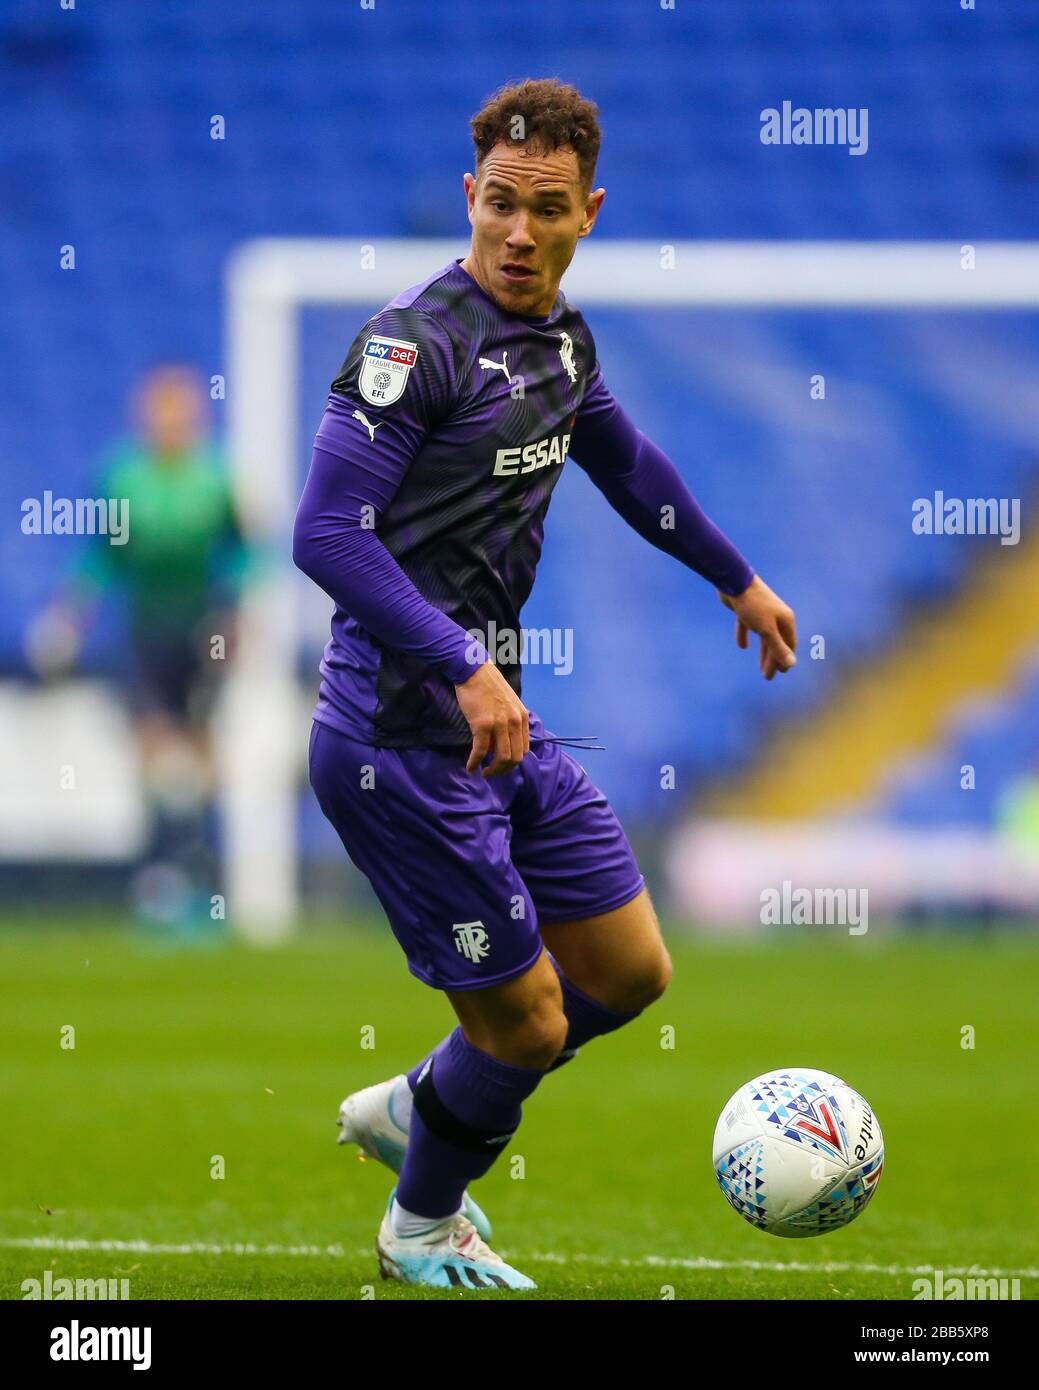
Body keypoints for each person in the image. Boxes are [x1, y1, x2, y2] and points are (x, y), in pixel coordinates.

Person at [293, 78, 796, 1290]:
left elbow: (628, 465)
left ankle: (421, 1098)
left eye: (549, 210)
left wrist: (736, 578)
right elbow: (324, 533)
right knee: (525, 1021)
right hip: (397, 740)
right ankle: (419, 1225)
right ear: (471, 197)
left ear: (589, 213)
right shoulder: (411, 346)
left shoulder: (562, 342)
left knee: (627, 973)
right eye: (501, 206)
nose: (520, 233)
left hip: (495, 728)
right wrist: (461, 660)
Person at [32, 364, 248, 930]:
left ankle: (208, 887)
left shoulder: (217, 478)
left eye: (181, 407)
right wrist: (68, 616)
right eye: (161, 407)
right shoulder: (123, 478)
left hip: (203, 633)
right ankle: (159, 885)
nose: (171, 419)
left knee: (204, 757)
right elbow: (101, 555)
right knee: (152, 755)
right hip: (145, 631)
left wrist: (237, 616)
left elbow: (243, 553)